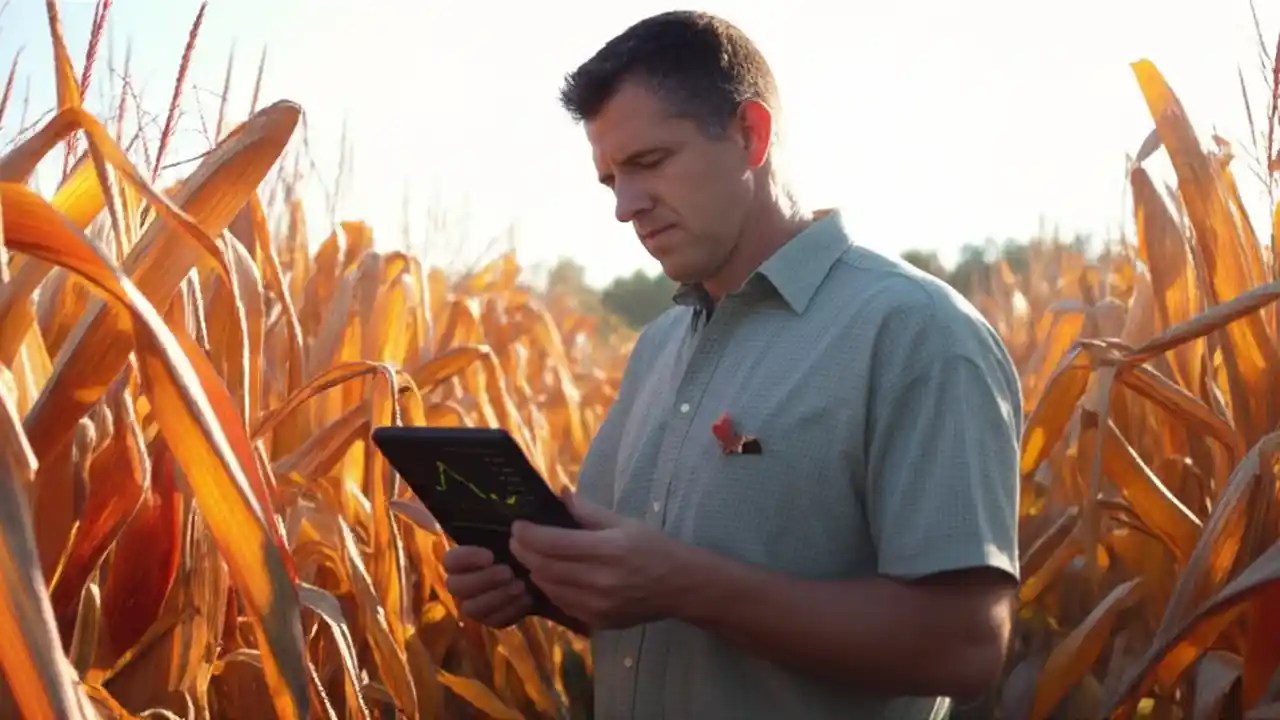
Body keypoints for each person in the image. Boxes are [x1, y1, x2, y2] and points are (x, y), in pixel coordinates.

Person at [442, 10, 1022, 719]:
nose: (626, 206)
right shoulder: (660, 344)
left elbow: (965, 647)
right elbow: (637, 608)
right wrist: (540, 587)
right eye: (610, 179)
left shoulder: (916, 333)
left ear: (751, 134)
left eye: (649, 163)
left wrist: (686, 585)